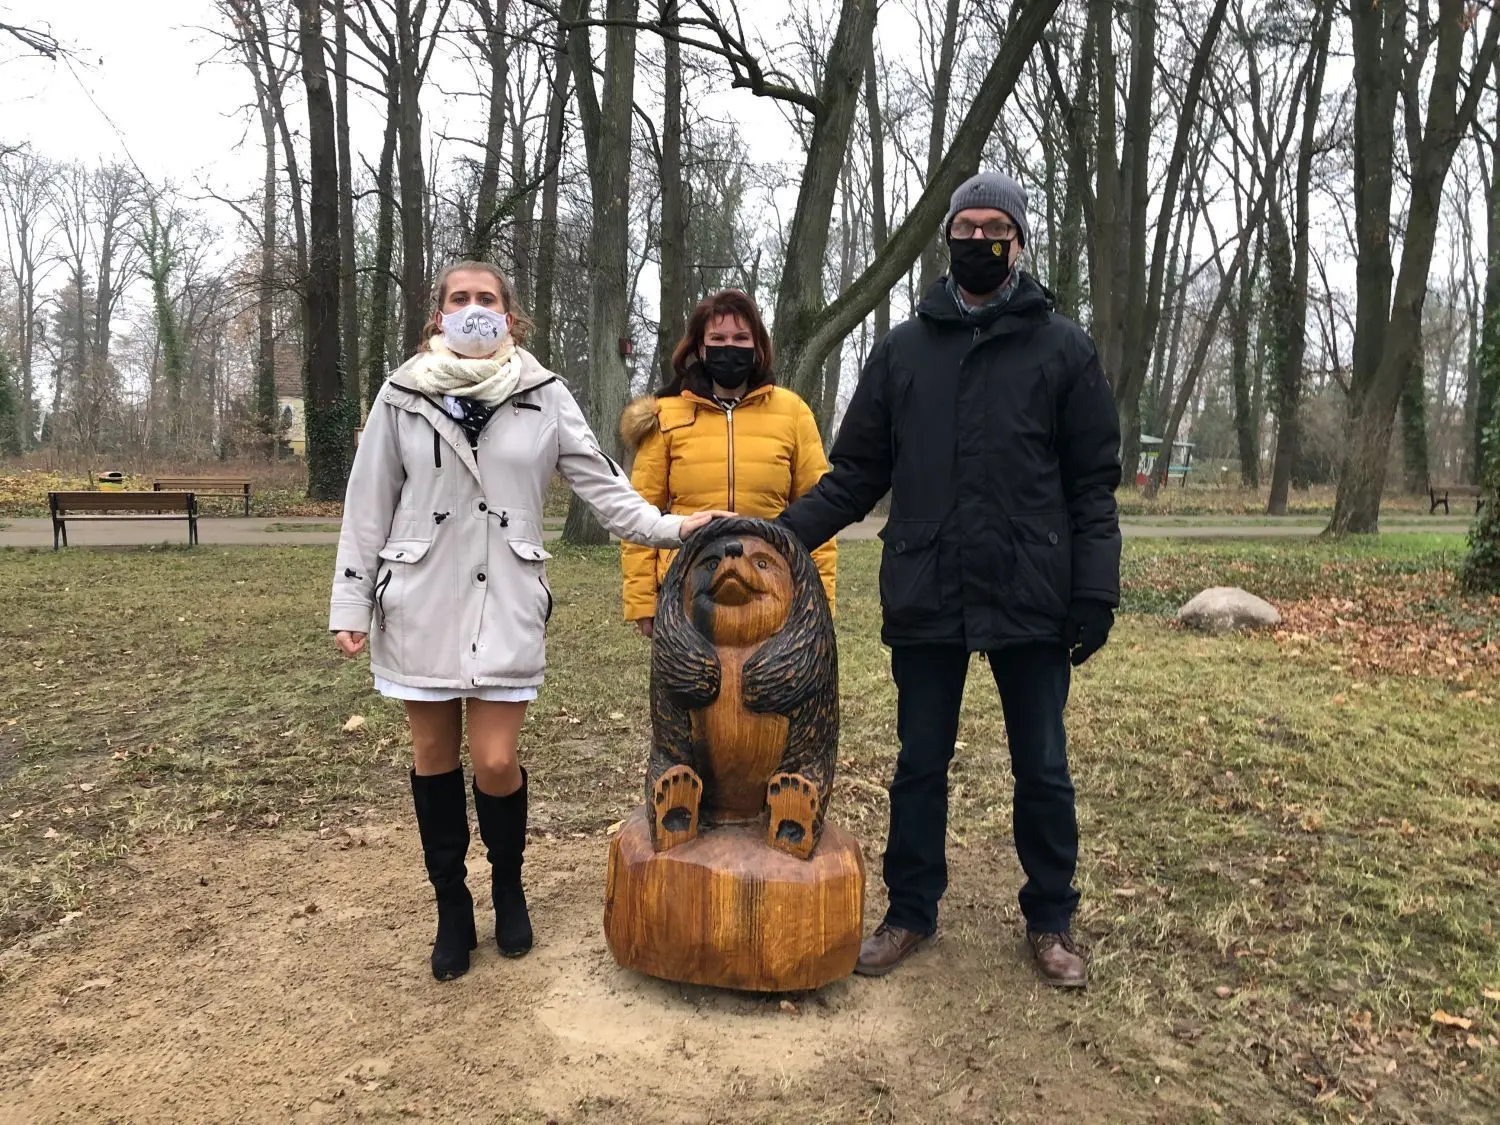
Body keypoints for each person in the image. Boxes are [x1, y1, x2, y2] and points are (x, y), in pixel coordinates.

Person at [329, 260, 730, 982]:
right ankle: (452, 904)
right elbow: (367, 504)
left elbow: (605, 490)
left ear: (512, 316)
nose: (474, 308)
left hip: (507, 594)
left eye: (487, 299)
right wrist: (349, 602)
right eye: (460, 298)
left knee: (493, 760)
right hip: (418, 597)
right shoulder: (401, 393)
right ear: (438, 315)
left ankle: (507, 881)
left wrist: (675, 528)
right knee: (432, 757)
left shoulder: (542, 393)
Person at [777, 173, 1122, 988]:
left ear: (1019, 241)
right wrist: (779, 535)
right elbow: (856, 472)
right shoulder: (903, 350)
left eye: (994, 228)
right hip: (928, 585)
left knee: (1042, 763)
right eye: (964, 228)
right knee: (919, 761)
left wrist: (1095, 590)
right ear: (946, 242)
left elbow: (1091, 485)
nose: (977, 241)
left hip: (1031, 589)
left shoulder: (1064, 349)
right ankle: (910, 909)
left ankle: (1050, 917)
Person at [619, 289, 836, 632]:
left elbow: (821, 513)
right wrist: (643, 602)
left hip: (774, 592)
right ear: (701, 348)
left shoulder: (793, 413)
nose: (729, 346)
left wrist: (819, 600)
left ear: (757, 345)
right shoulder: (665, 415)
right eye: (717, 338)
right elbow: (640, 514)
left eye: (740, 337)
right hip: (687, 591)